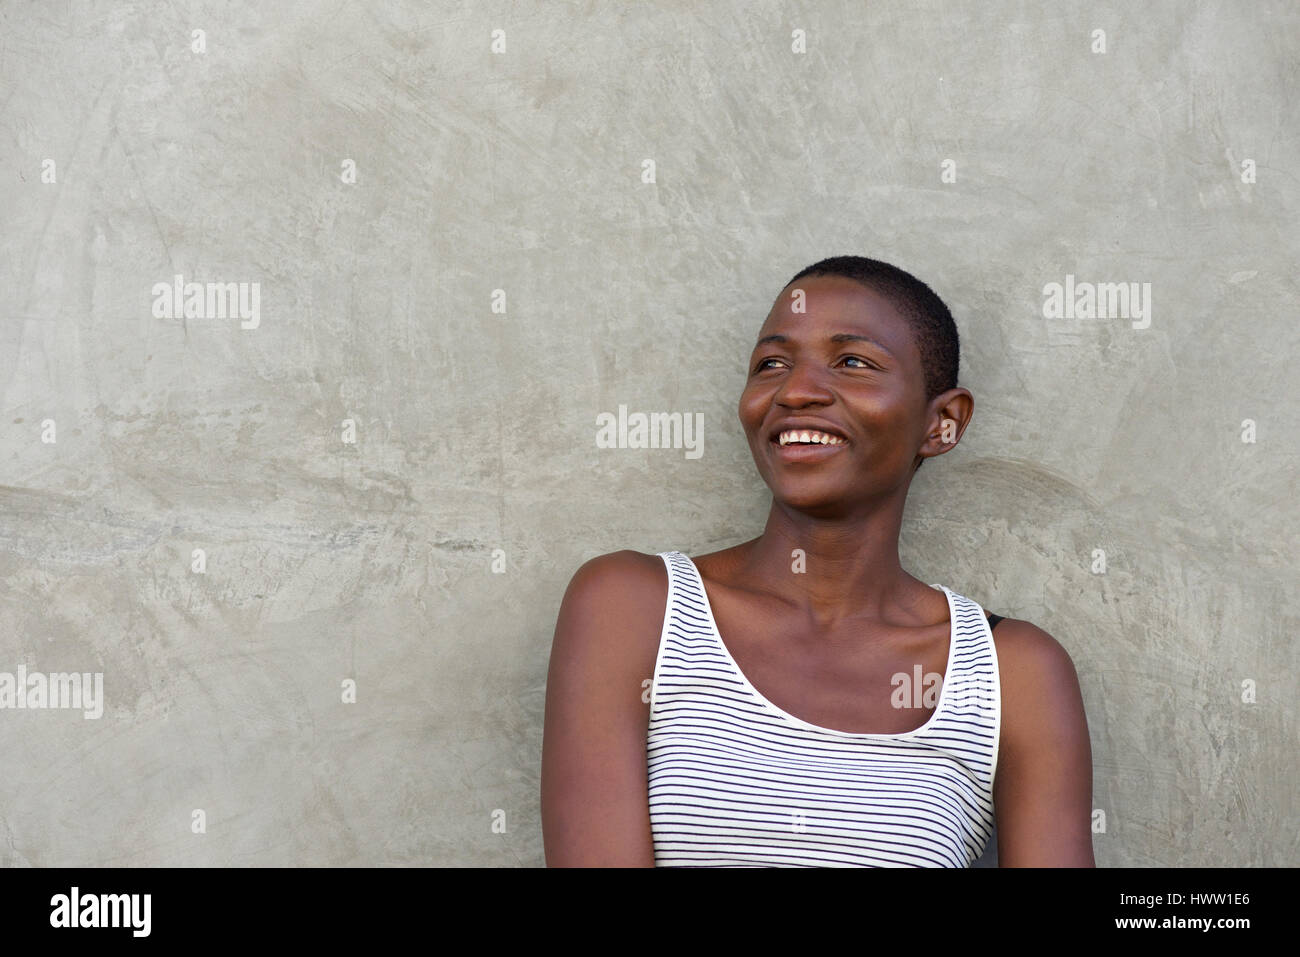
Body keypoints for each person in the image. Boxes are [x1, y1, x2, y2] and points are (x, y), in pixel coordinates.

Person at [540, 255, 1095, 866]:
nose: (795, 391)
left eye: (853, 362)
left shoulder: (1011, 674)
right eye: (771, 364)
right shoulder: (634, 606)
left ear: (942, 422)